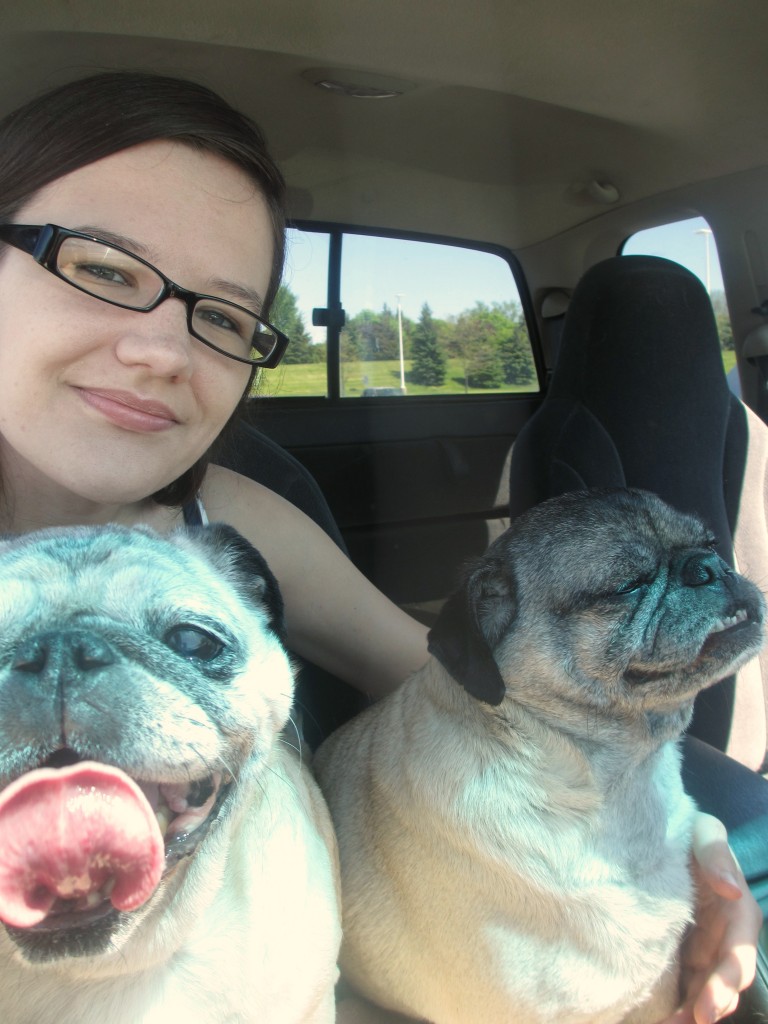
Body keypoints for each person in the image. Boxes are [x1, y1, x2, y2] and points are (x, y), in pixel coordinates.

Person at [0, 71, 758, 1024]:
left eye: (222, 318)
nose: (163, 350)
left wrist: (693, 846)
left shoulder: (232, 517)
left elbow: (468, 686)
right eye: (104, 270)